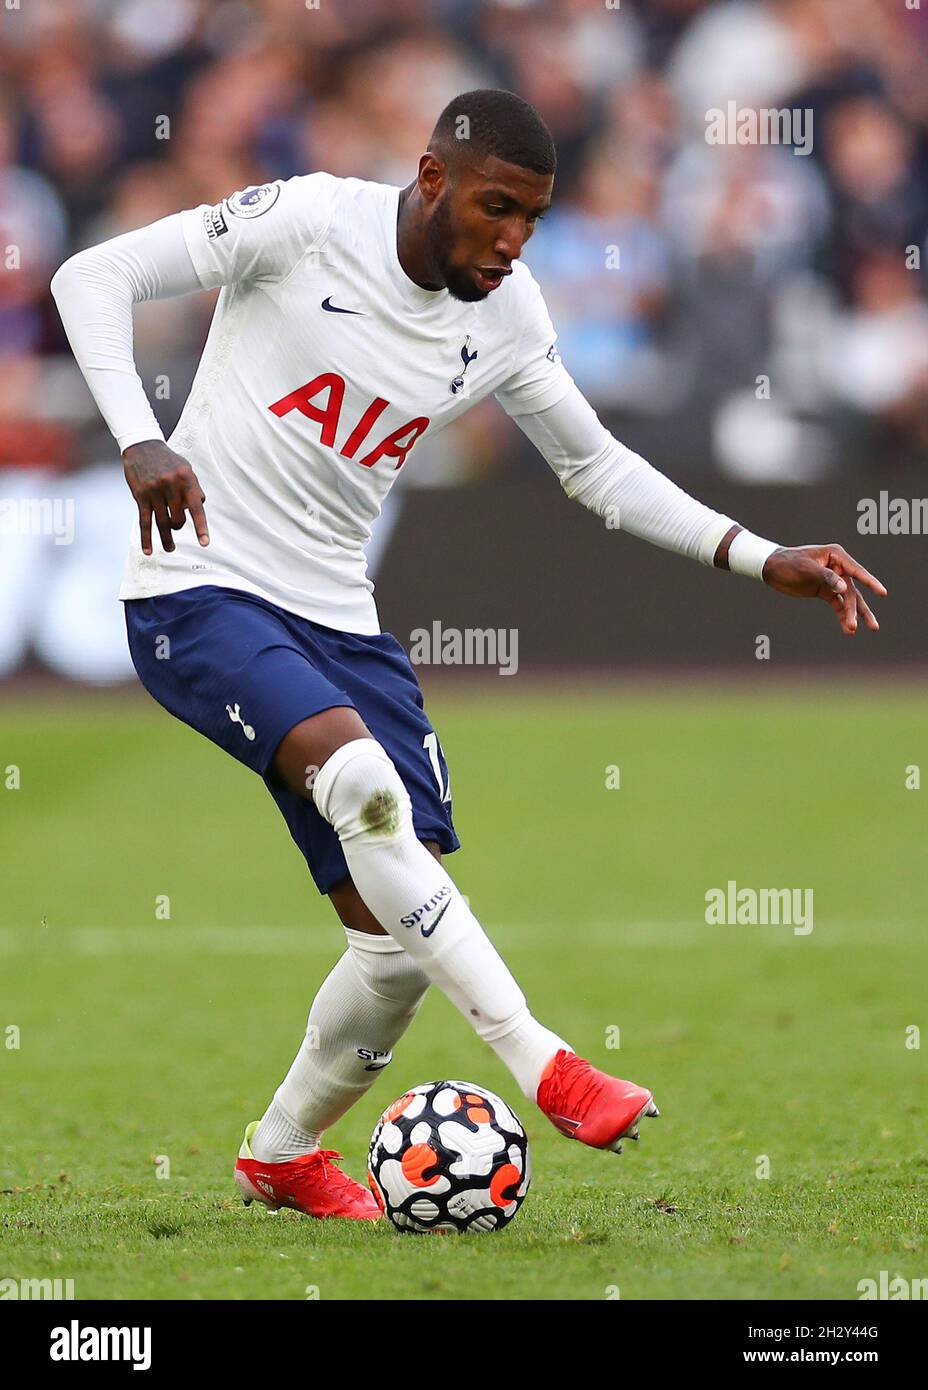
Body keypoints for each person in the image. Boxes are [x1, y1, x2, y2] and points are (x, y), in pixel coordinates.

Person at [51, 89, 885, 1220]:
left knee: (395, 947)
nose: (511, 240)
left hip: (339, 616)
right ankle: (543, 1059)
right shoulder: (305, 221)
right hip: (197, 586)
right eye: (495, 208)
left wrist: (753, 552)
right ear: (433, 178)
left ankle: (284, 1152)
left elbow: (593, 468)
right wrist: (140, 438)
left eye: (531, 220)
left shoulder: (506, 313)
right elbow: (85, 276)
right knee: (363, 784)